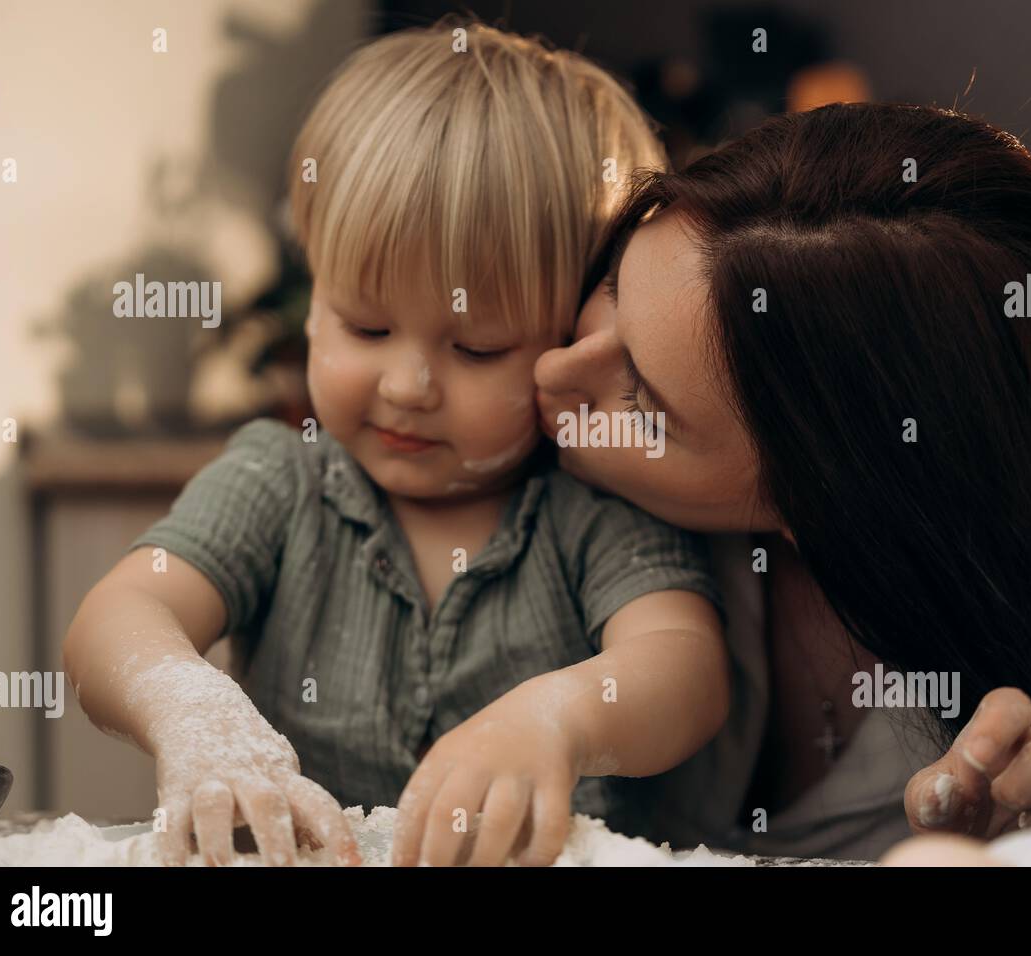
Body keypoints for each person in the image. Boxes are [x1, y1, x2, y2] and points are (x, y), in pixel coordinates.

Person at [63, 22, 731, 868]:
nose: (408, 384)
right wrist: (195, 711)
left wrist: (559, 718)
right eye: (365, 324)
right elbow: (117, 617)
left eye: (478, 346)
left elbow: (688, 670)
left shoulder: (592, 505)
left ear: (567, 338)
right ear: (313, 303)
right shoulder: (278, 481)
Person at [536, 102, 1031, 864]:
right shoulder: (496, 468)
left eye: (646, 406)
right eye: (613, 286)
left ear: (824, 507)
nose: (550, 369)